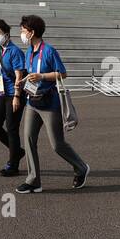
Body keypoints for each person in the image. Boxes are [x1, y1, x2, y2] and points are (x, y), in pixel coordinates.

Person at [14, 15, 90, 193]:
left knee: (57, 144)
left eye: (23, 31)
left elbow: (62, 74)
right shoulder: (29, 52)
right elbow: (32, 73)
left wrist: (42, 77)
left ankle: (81, 167)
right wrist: (23, 81)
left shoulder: (48, 51)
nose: (22, 34)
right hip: (32, 102)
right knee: (29, 139)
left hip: (49, 103)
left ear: (32, 32)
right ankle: (33, 181)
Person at [0, 19, 27, 177]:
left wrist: (17, 96)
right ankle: (17, 151)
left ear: (7, 35)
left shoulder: (15, 51)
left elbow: (19, 75)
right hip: (1, 94)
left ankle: (13, 165)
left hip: (13, 94)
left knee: (12, 128)